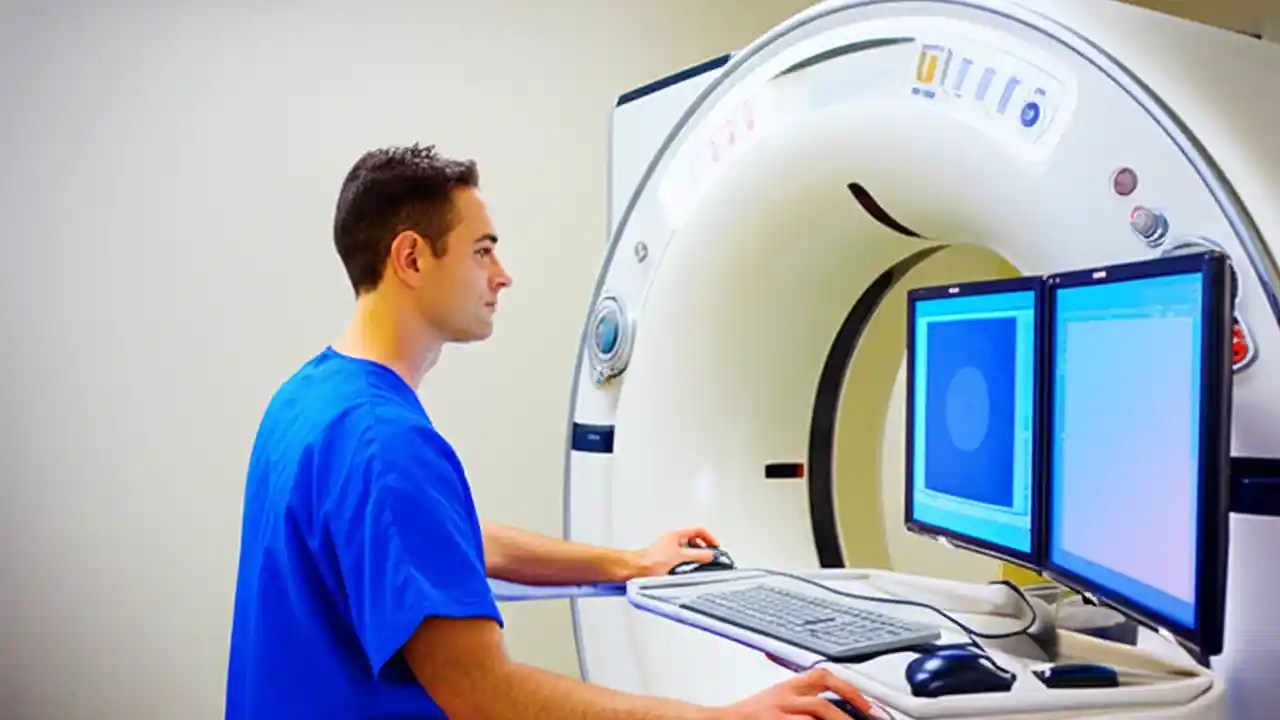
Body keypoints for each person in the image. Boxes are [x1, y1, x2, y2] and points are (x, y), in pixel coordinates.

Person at [225, 144, 881, 719]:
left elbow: (444, 540)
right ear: (411, 257)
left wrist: (629, 563)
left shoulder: (309, 401)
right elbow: (485, 695)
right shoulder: (385, 445)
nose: (502, 274)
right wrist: (720, 719)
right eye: (482, 250)